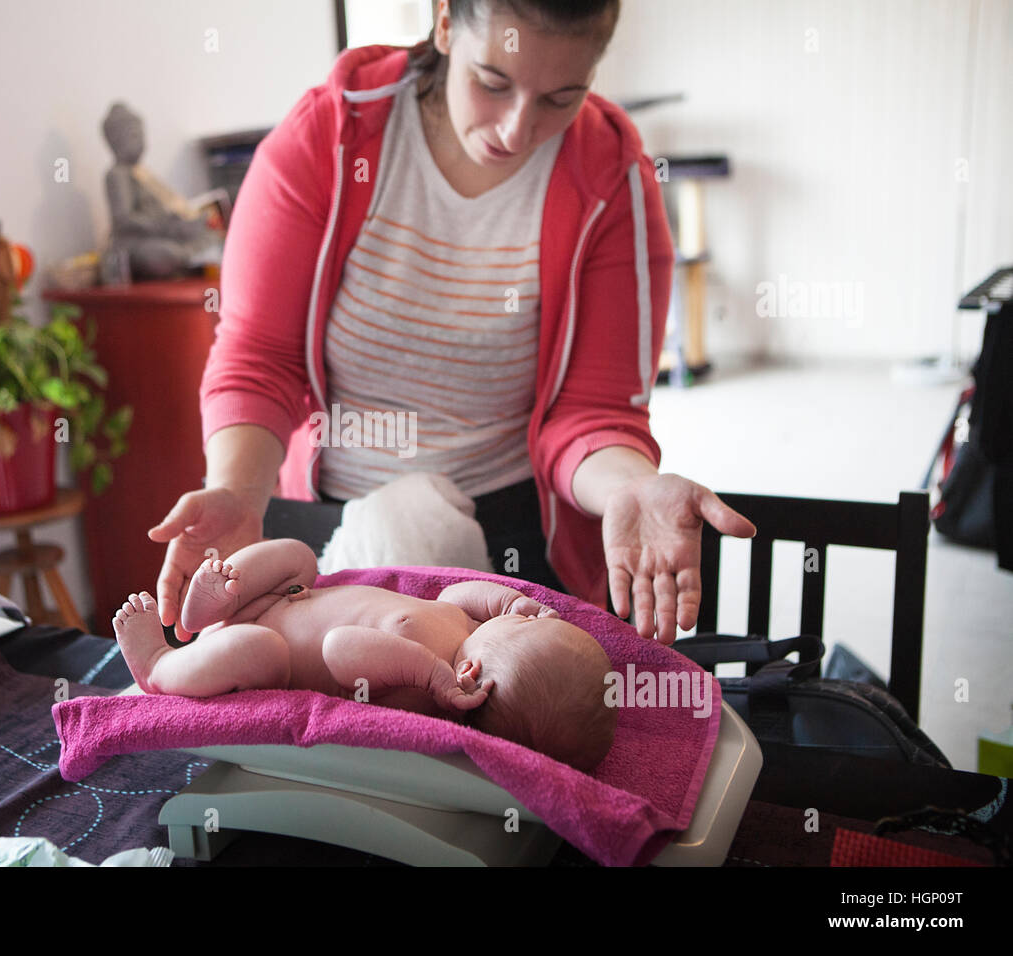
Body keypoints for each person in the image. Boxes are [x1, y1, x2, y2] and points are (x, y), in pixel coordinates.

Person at [151, 0, 755, 646]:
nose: (517, 131)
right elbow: (260, 357)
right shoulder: (328, 139)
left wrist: (632, 486)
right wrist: (238, 492)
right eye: (492, 83)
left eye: (561, 98)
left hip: (513, 537)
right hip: (335, 530)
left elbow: (594, 414)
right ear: (443, 21)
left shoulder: (611, 177)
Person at [113, 538, 617, 771]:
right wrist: (508, 601)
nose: (531, 615)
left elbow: (340, 648)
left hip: (257, 651)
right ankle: (211, 603)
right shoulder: (466, 627)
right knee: (299, 557)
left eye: (524, 625)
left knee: (258, 649)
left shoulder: (426, 687)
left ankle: (161, 665)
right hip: (285, 595)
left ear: (471, 672)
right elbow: (452, 596)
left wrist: (430, 675)